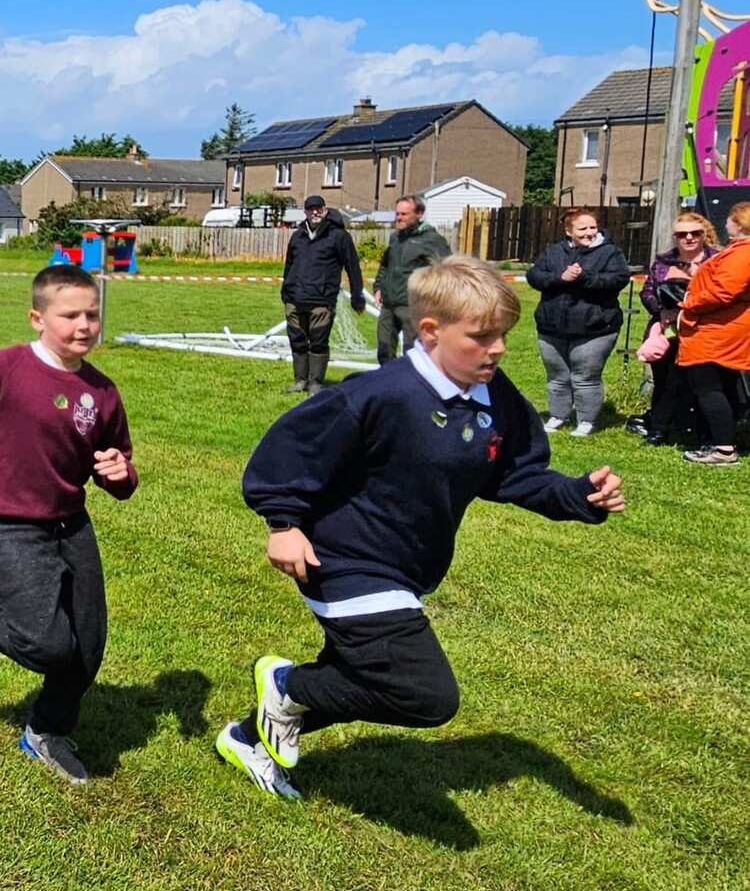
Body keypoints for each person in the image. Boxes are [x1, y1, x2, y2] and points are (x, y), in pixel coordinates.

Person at [215, 256, 625, 798]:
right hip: (343, 560)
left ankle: (247, 737)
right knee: (425, 695)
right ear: (430, 331)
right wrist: (283, 522)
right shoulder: (380, 394)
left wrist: (578, 495)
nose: (498, 349)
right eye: (482, 336)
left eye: (503, 335)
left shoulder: (494, 397)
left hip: (408, 568)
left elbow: (515, 474)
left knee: (360, 678)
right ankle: (285, 684)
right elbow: (292, 449)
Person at [0, 265, 138, 784]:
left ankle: (45, 732)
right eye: (71, 315)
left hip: (70, 524)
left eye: (92, 314)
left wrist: (120, 472)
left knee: (87, 646)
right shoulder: (2, 369)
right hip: (8, 524)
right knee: (46, 644)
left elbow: (117, 462)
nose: (84, 325)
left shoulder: (101, 391)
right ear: (37, 318)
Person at [526, 210, 630, 437]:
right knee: (557, 377)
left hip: (595, 328)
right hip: (552, 327)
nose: (589, 233)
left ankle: (586, 421)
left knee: (585, 378)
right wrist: (559, 278)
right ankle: (558, 416)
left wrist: (584, 277)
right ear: (568, 231)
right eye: (582, 229)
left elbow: (618, 279)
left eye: (593, 227)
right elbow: (534, 276)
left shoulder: (611, 252)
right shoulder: (553, 251)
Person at [629, 213, 719, 446]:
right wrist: (661, 311)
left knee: (699, 383)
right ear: (675, 237)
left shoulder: (717, 261)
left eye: (695, 233)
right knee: (664, 382)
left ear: (704, 234)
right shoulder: (663, 262)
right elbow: (647, 292)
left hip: (703, 331)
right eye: (682, 234)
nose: (689, 238)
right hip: (666, 331)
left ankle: (697, 431)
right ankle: (658, 429)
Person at [675, 202, 750, 465]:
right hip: (722, 326)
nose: (725, 222)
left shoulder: (742, 253)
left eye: (729, 218)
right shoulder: (738, 251)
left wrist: (689, 302)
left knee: (707, 386)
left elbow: (724, 291)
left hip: (718, 329)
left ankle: (724, 449)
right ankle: (719, 441)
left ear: (738, 223)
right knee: (718, 386)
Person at [281, 196, 366, 395]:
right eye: (310, 209)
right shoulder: (298, 236)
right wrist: (286, 290)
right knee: (297, 340)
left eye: (318, 208)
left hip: (321, 300)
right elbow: (289, 265)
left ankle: (316, 383)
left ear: (325, 210)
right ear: (305, 212)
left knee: (318, 342)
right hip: (295, 298)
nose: (315, 212)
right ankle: (300, 380)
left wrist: (357, 295)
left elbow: (352, 267)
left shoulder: (339, 236)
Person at [373, 195, 451, 364]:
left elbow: (446, 272)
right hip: (389, 304)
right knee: (384, 349)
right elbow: (386, 265)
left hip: (414, 305)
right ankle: (388, 379)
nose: (399, 218)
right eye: (397, 214)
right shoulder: (395, 238)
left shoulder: (432, 240)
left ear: (419, 214)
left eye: (404, 214)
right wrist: (378, 287)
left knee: (413, 352)